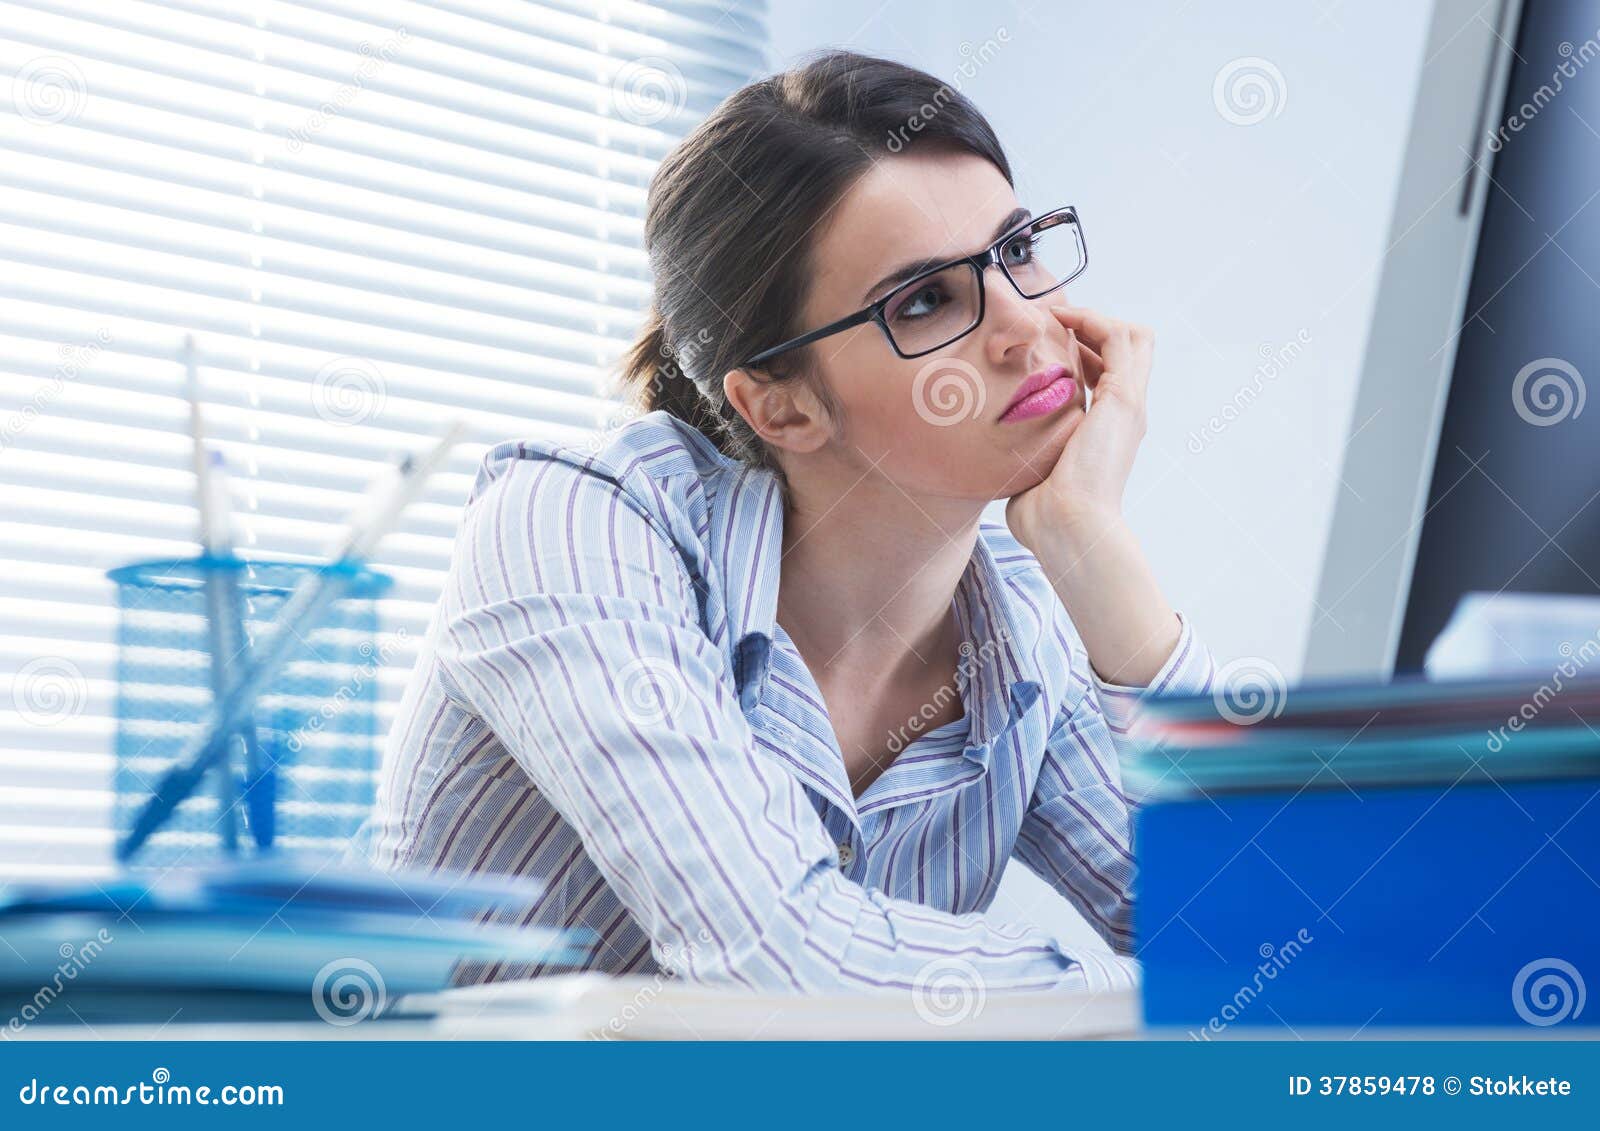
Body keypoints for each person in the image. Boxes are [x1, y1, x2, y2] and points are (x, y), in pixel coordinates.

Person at [360, 49, 1215, 997]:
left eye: (1017, 250)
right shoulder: (570, 527)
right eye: (926, 299)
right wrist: (1139, 989)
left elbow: (1284, 936)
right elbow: (772, 955)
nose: (1026, 325)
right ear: (781, 406)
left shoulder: (1018, 632)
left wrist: (1101, 559)